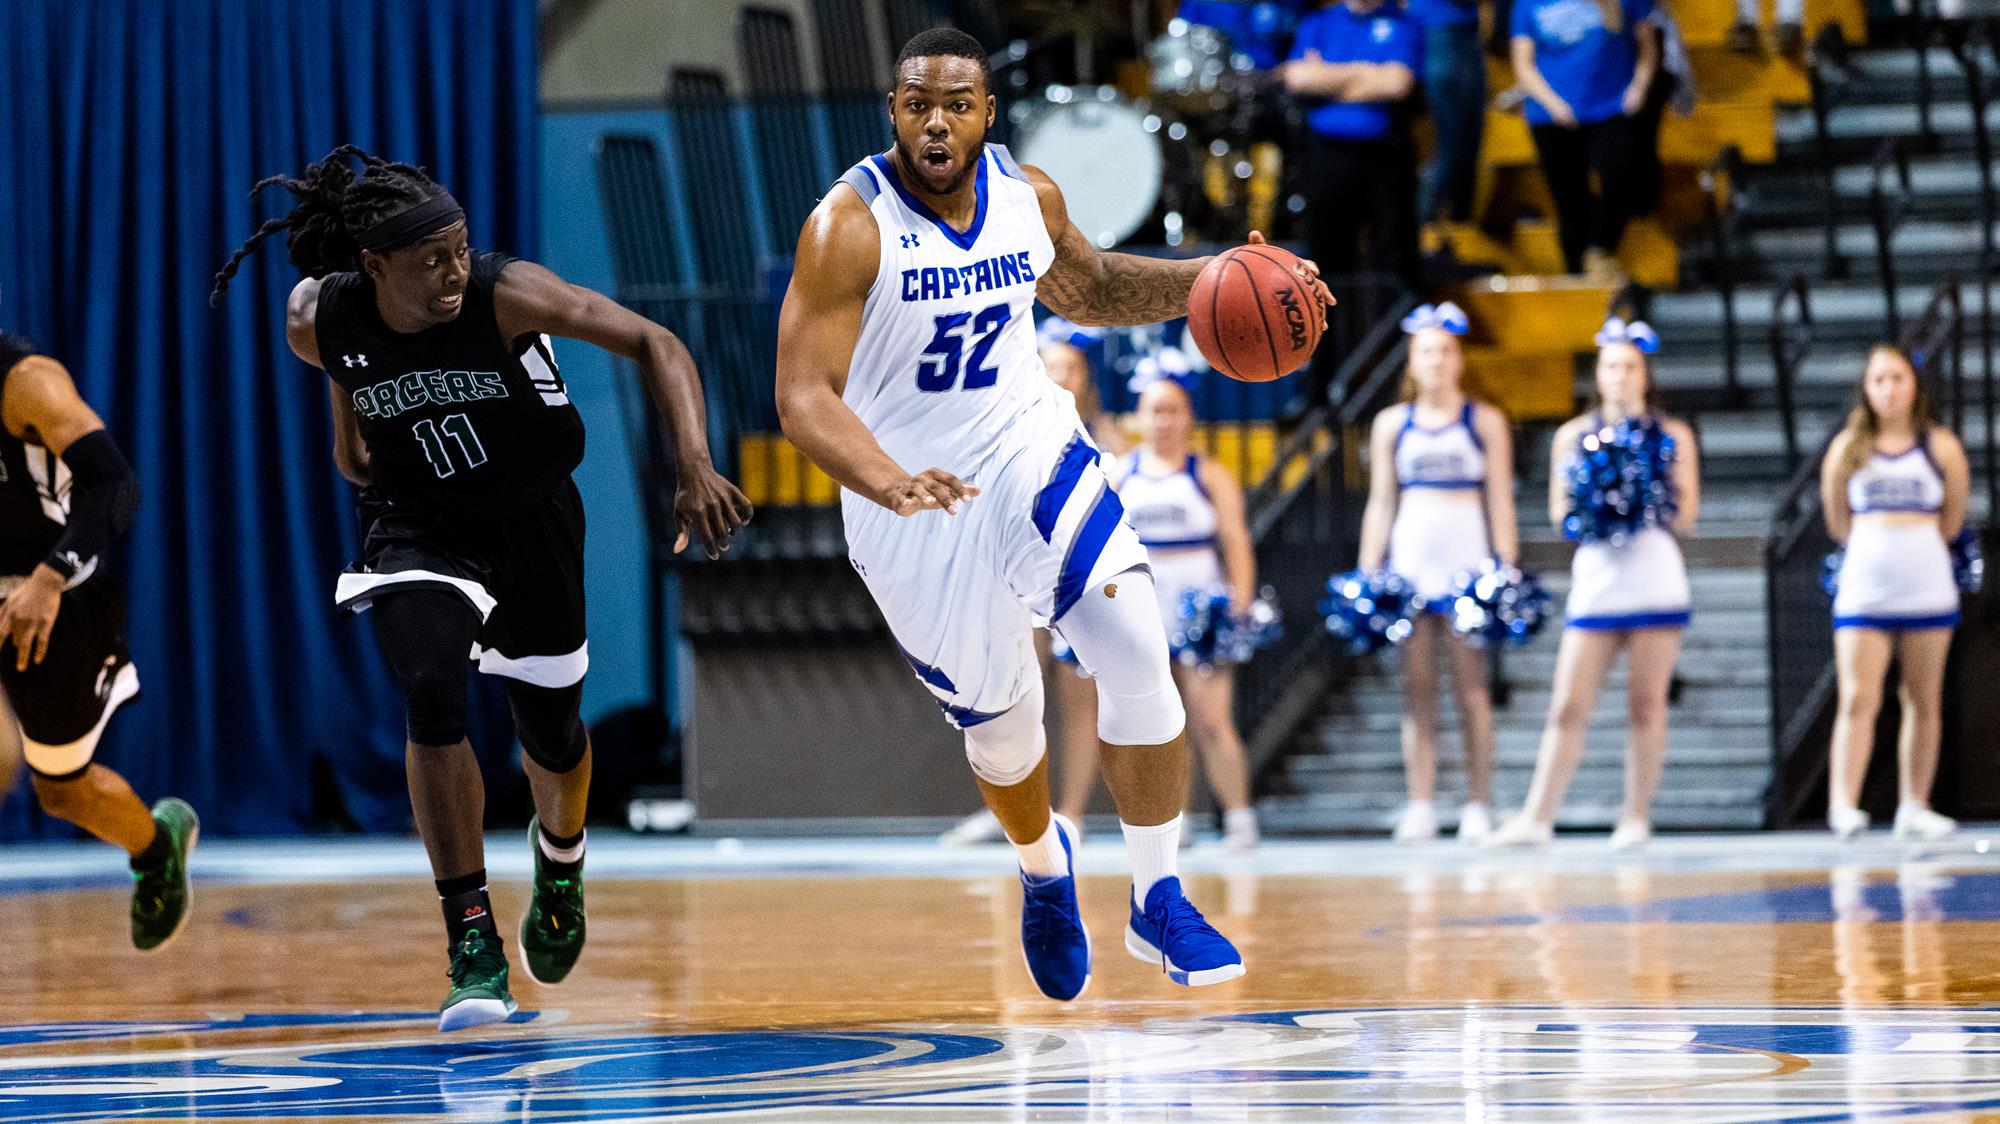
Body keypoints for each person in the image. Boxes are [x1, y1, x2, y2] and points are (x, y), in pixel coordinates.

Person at [775, 28, 1332, 998]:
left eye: (956, 102)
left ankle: (1159, 895)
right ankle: (1043, 868)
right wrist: (886, 475)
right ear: (894, 114)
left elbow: (1097, 288)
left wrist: (1216, 277)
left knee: (1131, 640)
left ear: (987, 113)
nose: (936, 120)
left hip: (1028, 443)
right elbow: (802, 395)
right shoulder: (847, 225)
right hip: (908, 503)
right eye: (917, 104)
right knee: (1003, 732)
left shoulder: (1026, 196)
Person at [211, 147, 752, 1030]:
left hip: (532, 520)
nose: (455, 270)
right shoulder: (318, 315)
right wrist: (362, 441)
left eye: (461, 248)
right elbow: (350, 433)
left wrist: (693, 460)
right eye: (433, 260)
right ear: (373, 266)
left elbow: (655, 340)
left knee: (551, 733)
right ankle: (472, 940)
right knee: (430, 687)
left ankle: (562, 860)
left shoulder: (508, 292)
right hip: (419, 523)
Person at [0, 333, 197, 950]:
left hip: (51, 600)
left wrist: (48, 579)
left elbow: (116, 486)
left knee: (61, 790)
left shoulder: (26, 380)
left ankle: (155, 847)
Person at [1489, 318, 1698, 848]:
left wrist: (1640, 491)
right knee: (1567, 704)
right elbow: (1562, 516)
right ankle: (1537, 817)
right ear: (1598, 375)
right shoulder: (1572, 437)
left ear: (1645, 374)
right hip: (1599, 578)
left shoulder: (1674, 435)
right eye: (1611, 366)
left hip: (1654, 575)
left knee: (1645, 704)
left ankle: (1635, 815)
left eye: (1631, 366)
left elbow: (1687, 514)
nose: (1621, 376)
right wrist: (1600, 500)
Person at [939, 317, 1114, 846]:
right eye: (1051, 367)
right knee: (1009, 690)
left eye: (1071, 369)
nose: (1061, 377)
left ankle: (1073, 815)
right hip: (1017, 573)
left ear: (1086, 378)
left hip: (1076, 577)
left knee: (1079, 703)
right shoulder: (1011, 428)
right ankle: (1011, 811)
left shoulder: (1107, 438)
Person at [1355, 303, 1516, 843]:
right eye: (1426, 352)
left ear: (1460, 359)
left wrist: (1505, 569)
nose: (1437, 360)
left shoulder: (1484, 420)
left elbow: (1500, 503)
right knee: (1417, 690)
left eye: (1446, 351)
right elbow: (1381, 501)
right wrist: (1368, 571)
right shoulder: (1391, 425)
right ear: (1412, 361)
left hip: (1467, 567)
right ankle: (1421, 802)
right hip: (1410, 567)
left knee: (1472, 690)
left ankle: (1479, 803)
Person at [1108, 353, 1262, 853]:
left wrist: (1239, 599)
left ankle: (1239, 817)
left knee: (1212, 719)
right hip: (1142, 608)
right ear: (1140, 417)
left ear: (1188, 416)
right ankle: (1179, 819)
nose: (1165, 420)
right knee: (1160, 723)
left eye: (1173, 410)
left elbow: (1236, 541)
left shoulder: (1208, 473)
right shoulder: (1121, 473)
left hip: (1201, 606)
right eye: (1155, 410)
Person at [1819, 346, 1966, 842]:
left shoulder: (1941, 446)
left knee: (1923, 698)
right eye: (1878, 379)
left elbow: (1953, 520)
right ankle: (1843, 803)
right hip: (1865, 591)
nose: (1888, 388)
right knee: (1858, 696)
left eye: (1897, 377)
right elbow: (1838, 521)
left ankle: (1914, 804)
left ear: (1915, 384)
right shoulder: (1847, 448)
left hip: (1927, 589)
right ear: (1866, 388)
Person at [1281, 0, 1421, 302]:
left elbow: (1396, 84)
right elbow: (1297, 78)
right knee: (1326, 264)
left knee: (1395, 258)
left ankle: (1397, 345)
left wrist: (1327, 79)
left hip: (1385, 159)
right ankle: (1329, 347)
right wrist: (1367, 73)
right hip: (1326, 158)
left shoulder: (1403, 23)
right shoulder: (1319, 22)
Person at [1511, 0, 1659, 280]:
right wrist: (1554, 105)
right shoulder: (1528, 4)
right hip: (1550, 114)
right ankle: (1578, 282)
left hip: (1610, 106)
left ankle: (1598, 251)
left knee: (1620, 177)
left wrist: (1638, 88)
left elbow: (1648, 47)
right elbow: (1523, 64)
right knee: (1570, 202)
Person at [1406, 0, 1487, 228]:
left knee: (1466, 144)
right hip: (1442, 34)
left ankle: (1457, 225)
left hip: (1461, 35)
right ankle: (1420, 228)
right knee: (1452, 145)